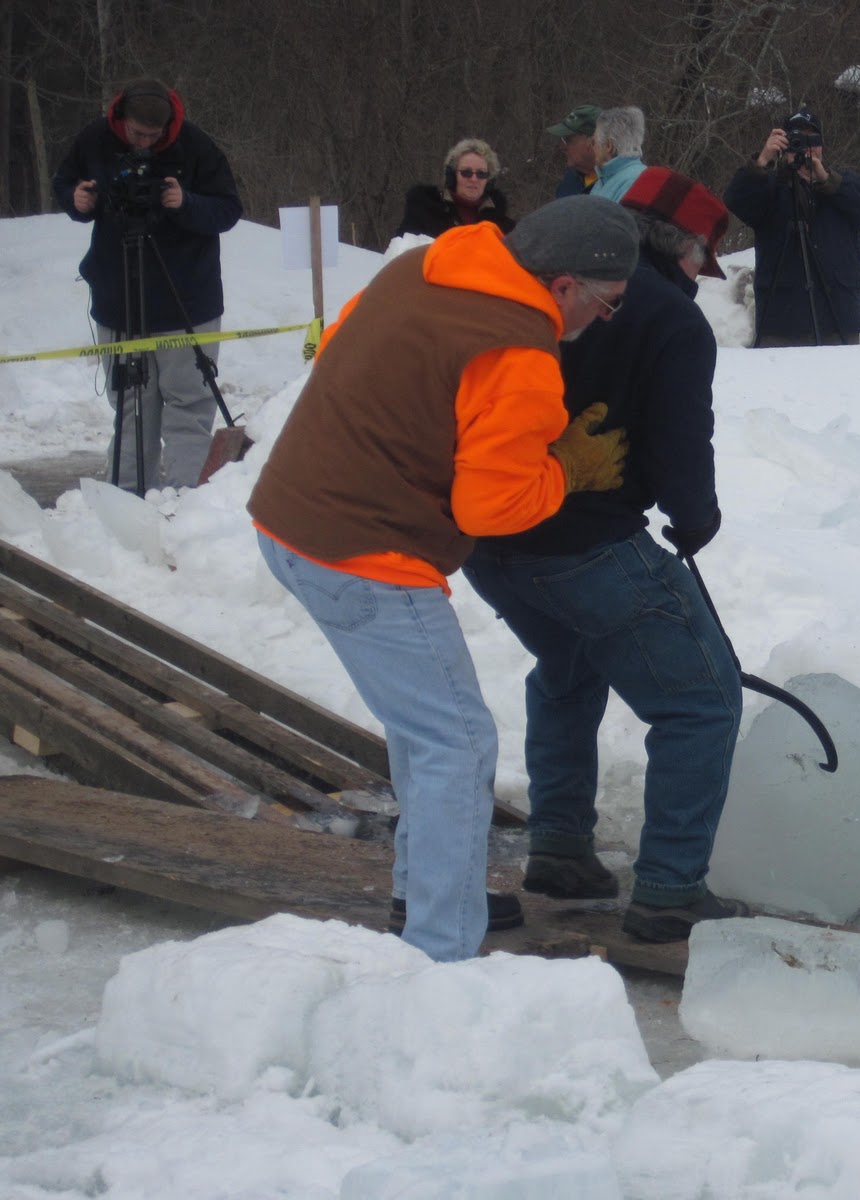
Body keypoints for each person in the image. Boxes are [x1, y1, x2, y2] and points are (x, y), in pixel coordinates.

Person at [248, 195, 638, 963]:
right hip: (363, 555)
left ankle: (425, 891)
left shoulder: (427, 264)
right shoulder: (521, 352)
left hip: (289, 519)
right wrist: (566, 466)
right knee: (456, 745)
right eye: (607, 303)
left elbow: (339, 346)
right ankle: (440, 955)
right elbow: (492, 506)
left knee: (426, 734)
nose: (605, 320)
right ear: (563, 285)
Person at [463, 167, 747, 944]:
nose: (698, 278)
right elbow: (680, 446)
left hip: (488, 544)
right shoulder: (671, 324)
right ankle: (669, 891)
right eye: (700, 260)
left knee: (570, 668)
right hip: (583, 546)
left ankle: (558, 847)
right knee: (702, 700)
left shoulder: (523, 286)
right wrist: (696, 519)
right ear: (677, 247)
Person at [51, 78, 242, 490]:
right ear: (121, 118)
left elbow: (229, 209)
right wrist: (76, 199)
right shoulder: (95, 140)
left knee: (188, 406)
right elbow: (65, 182)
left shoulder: (195, 146)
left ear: (170, 125)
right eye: (138, 133)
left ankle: (185, 502)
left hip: (186, 301)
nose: (145, 142)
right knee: (132, 408)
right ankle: (126, 499)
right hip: (120, 297)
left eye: (155, 136)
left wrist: (185, 203)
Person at [722, 108, 860, 348]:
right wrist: (762, 161)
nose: (806, 147)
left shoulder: (840, 185)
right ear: (783, 144)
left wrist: (827, 180)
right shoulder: (769, 189)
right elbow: (736, 199)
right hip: (782, 321)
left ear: (822, 146)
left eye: (813, 140)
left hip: (837, 319)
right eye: (796, 139)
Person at [394, 137, 517, 238]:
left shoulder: (503, 227)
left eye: (481, 174)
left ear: (489, 180)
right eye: (466, 172)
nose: (474, 179)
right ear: (452, 175)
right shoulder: (423, 213)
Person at [587, 106, 648, 202]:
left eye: (594, 142)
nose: (591, 147)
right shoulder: (605, 178)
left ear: (608, 146)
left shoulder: (632, 183)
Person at [548, 104, 601, 197]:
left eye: (568, 139)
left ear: (593, 142)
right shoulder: (569, 181)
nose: (562, 147)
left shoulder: (623, 184)